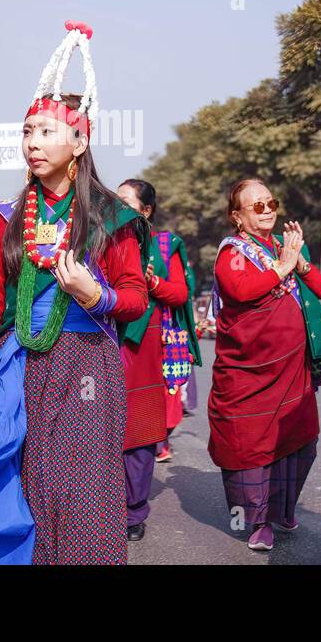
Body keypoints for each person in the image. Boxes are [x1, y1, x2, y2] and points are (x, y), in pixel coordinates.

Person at [0, 20, 148, 564]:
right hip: (24, 363)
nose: (32, 143)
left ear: (80, 141)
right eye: (27, 131)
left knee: (83, 489)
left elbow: (136, 298)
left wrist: (96, 296)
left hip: (87, 365)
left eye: (45, 132)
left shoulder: (112, 216)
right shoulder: (6, 217)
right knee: (24, 477)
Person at [208, 178, 321, 551]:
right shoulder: (232, 252)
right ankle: (257, 521)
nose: (267, 210)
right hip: (248, 371)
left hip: (294, 368)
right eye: (256, 206)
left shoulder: (285, 246)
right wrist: (282, 267)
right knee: (248, 444)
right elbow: (242, 291)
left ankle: (282, 508)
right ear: (237, 217)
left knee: (297, 439)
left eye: (270, 202)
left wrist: (300, 261)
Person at [116, 178, 201, 541]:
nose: (116, 207)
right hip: (107, 340)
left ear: (146, 210)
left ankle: (134, 513)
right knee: (103, 427)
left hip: (148, 344)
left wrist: (150, 283)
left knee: (140, 431)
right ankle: (101, 505)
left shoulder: (165, 245)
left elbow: (181, 293)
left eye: (124, 201)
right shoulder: (101, 239)